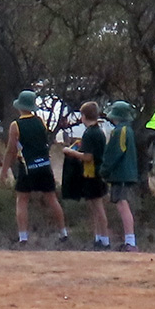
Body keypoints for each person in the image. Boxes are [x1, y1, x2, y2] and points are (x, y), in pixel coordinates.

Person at [0, 89, 69, 246]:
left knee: (22, 200)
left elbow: (10, 150)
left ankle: (23, 237)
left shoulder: (16, 125)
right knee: (52, 198)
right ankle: (63, 232)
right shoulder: (40, 122)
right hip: (44, 165)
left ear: (19, 106)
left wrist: (4, 171)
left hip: (27, 167)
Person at [61, 101, 111, 249]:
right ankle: (98, 237)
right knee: (94, 207)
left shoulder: (90, 133)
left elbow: (88, 157)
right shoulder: (98, 131)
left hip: (93, 173)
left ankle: (105, 240)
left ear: (83, 116)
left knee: (98, 208)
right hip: (95, 173)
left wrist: (71, 152)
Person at [101, 99, 140, 252]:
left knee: (122, 204)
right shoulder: (127, 130)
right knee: (122, 204)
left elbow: (114, 153)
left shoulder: (119, 131)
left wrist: (104, 170)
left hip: (121, 174)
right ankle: (129, 240)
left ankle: (130, 241)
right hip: (125, 173)